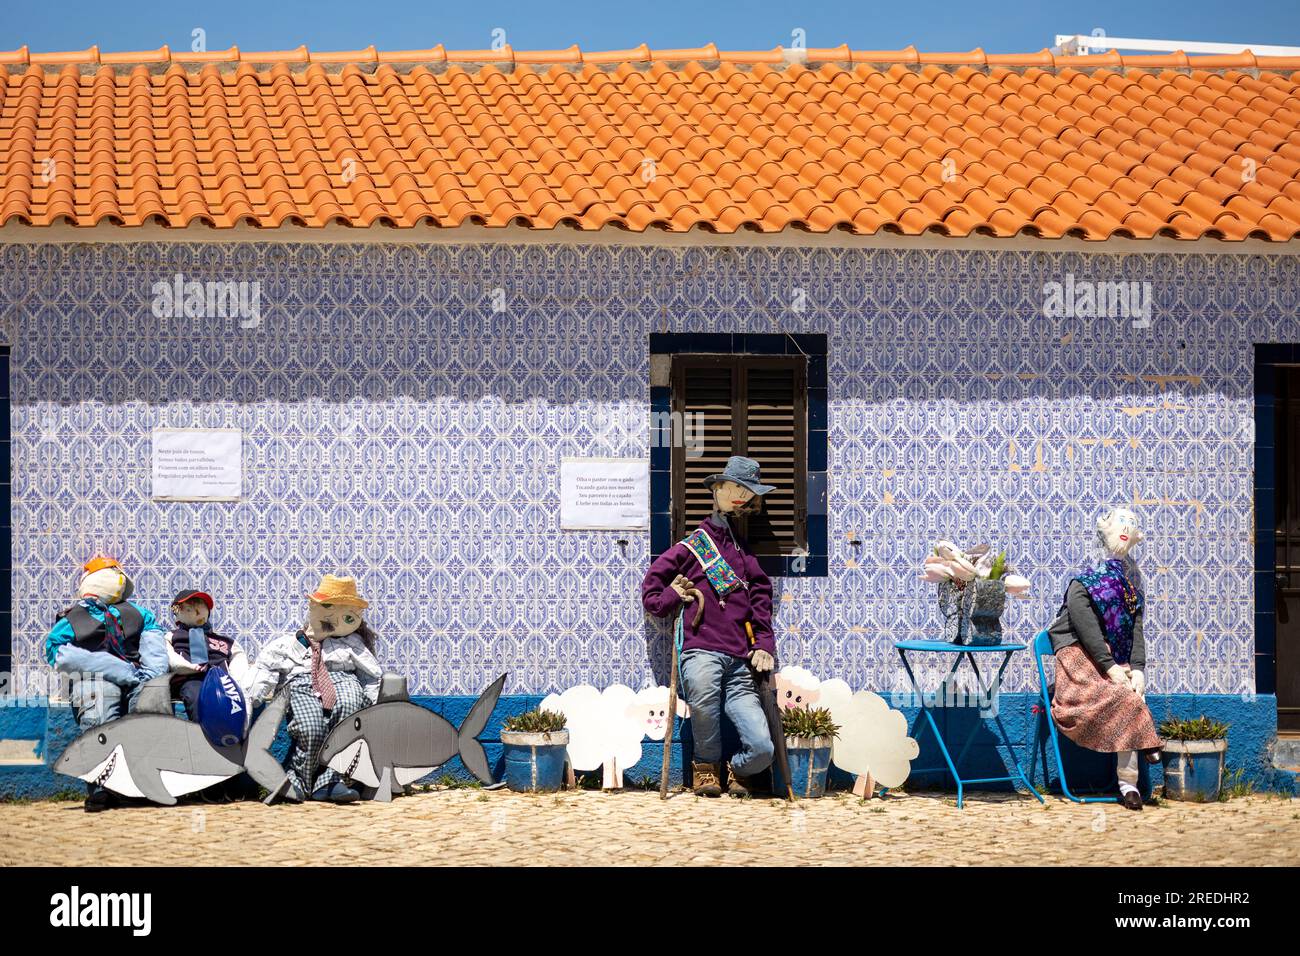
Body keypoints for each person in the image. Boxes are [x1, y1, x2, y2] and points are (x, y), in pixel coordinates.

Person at [642, 456, 778, 797]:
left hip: (739, 660)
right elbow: (653, 597)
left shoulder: (743, 554)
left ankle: (740, 768)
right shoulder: (690, 548)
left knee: (763, 746)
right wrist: (673, 595)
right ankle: (705, 768)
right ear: (718, 490)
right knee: (703, 704)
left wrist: (763, 642)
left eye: (747, 492)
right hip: (700, 650)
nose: (740, 497)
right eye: (735, 489)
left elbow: (761, 593)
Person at [1047, 507, 1164, 810]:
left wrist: (1137, 669)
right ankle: (1146, 749)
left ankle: (1129, 785)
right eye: (1120, 524)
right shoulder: (1083, 585)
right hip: (1079, 668)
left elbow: (1135, 632)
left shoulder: (1131, 593)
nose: (1125, 529)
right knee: (1127, 699)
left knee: (1131, 693)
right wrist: (1111, 667)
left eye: (1131, 525)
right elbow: (1087, 632)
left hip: (1111, 666)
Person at [44, 557, 170, 811]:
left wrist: (149, 675)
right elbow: (56, 651)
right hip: (95, 677)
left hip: (138, 674)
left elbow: (154, 645)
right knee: (98, 712)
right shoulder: (72, 619)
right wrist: (111, 668)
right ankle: (102, 788)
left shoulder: (140, 614)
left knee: (153, 702)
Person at [245, 574, 381, 803]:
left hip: (343, 679)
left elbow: (372, 674)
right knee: (311, 727)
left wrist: (372, 704)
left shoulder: (350, 646)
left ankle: (331, 780)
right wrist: (250, 699)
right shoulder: (286, 645)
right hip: (300, 683)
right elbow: (265, 669)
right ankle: (298, 780)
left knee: (348, 710)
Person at [164, 589, 251, 721]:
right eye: (191, 607)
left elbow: (238, 657)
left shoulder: (225, 641)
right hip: (191, 679)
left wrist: (235, 680)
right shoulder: (173, 636)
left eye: (202, 606)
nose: (198, 611)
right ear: (177, 611)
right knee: (197, 696)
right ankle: (201, 735)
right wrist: (187, 666)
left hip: (223, 682)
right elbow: (169, 655)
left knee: (237, 701)